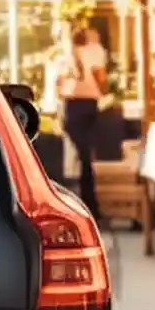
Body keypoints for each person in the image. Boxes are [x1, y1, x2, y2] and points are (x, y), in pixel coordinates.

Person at [57, 26, 105, 220]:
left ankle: (84, 200)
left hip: (72, 104)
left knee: (81, 154)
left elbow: (58, 86)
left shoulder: (62, 56)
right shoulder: (94, 52)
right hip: (89, 103)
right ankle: (89, 201)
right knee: (85, 155)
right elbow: (101, 77)